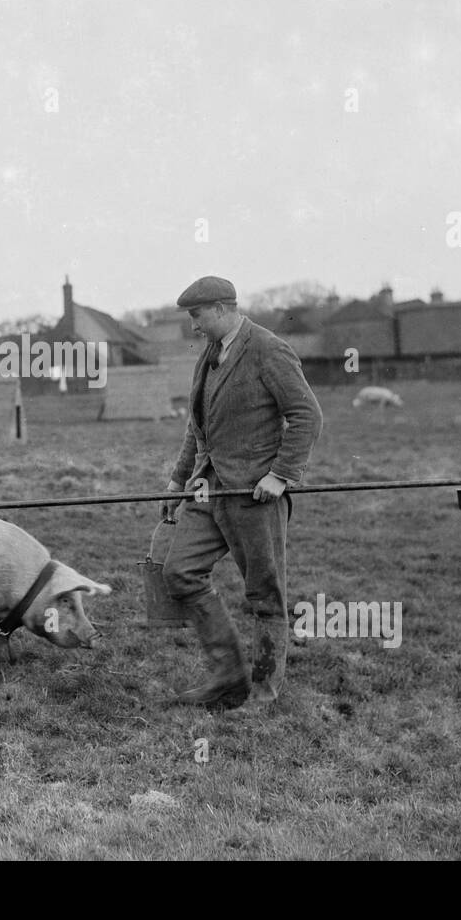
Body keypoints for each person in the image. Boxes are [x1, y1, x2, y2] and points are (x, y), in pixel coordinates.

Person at [161, 276, 323, 709]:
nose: (193, 325)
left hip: (256, 497)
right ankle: (228, 675)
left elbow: (306, 415)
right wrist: (179, 482)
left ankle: (264, 692)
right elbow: (197, 429)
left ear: (219, 308)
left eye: (196, 315)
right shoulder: (210, 355)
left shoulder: (268, 349)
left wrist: (281, 474)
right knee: (179, 572)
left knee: (265, 597)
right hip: (208, 490)